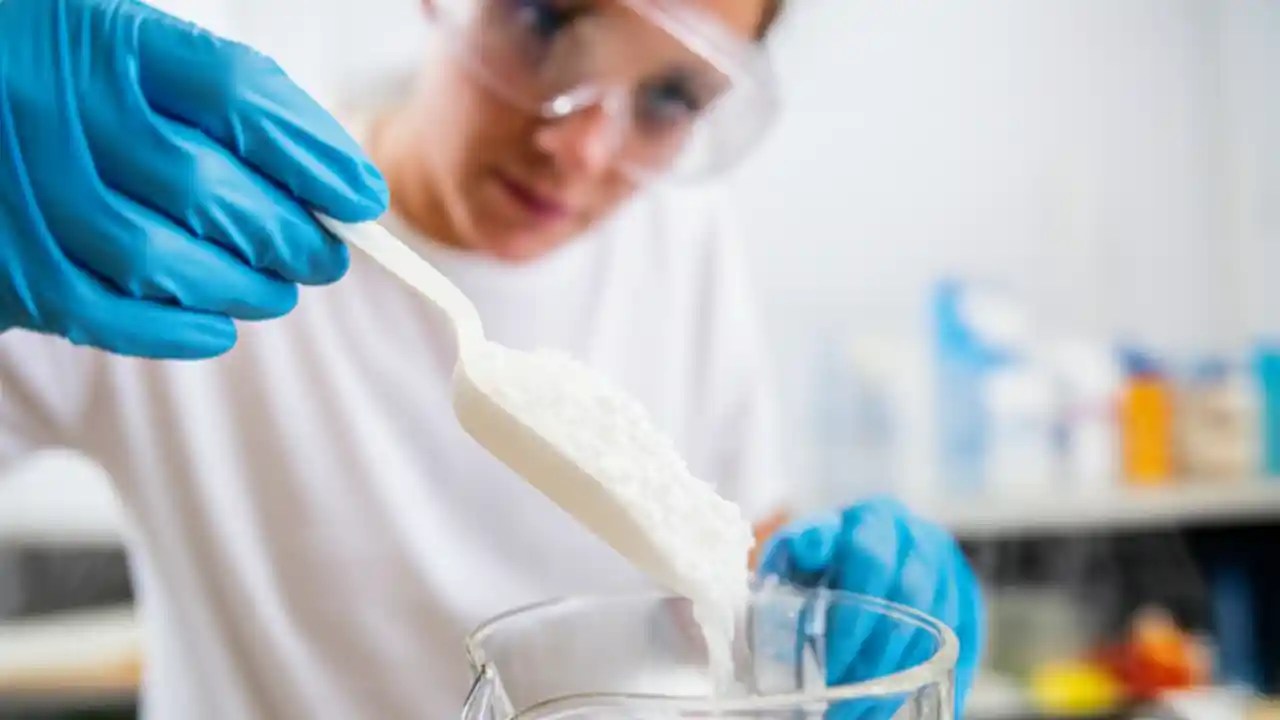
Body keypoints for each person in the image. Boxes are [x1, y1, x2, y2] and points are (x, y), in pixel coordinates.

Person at [0, 0, 981, 716]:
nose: (584, 147)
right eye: (547, 22)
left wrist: (841, 615)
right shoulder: (176, 224)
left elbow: (724, 584)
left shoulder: (680, 239)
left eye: (672, 97)